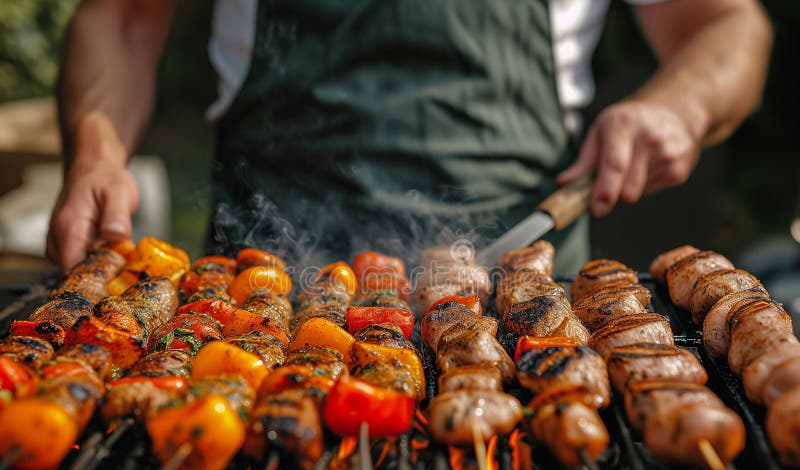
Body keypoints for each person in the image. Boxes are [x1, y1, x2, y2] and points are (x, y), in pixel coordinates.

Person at [47, 0, 772, 273]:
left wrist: (677, 106)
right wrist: (97, 149)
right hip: (263, 282)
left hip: (513, 281)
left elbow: (726, 24)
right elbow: (122, 17)